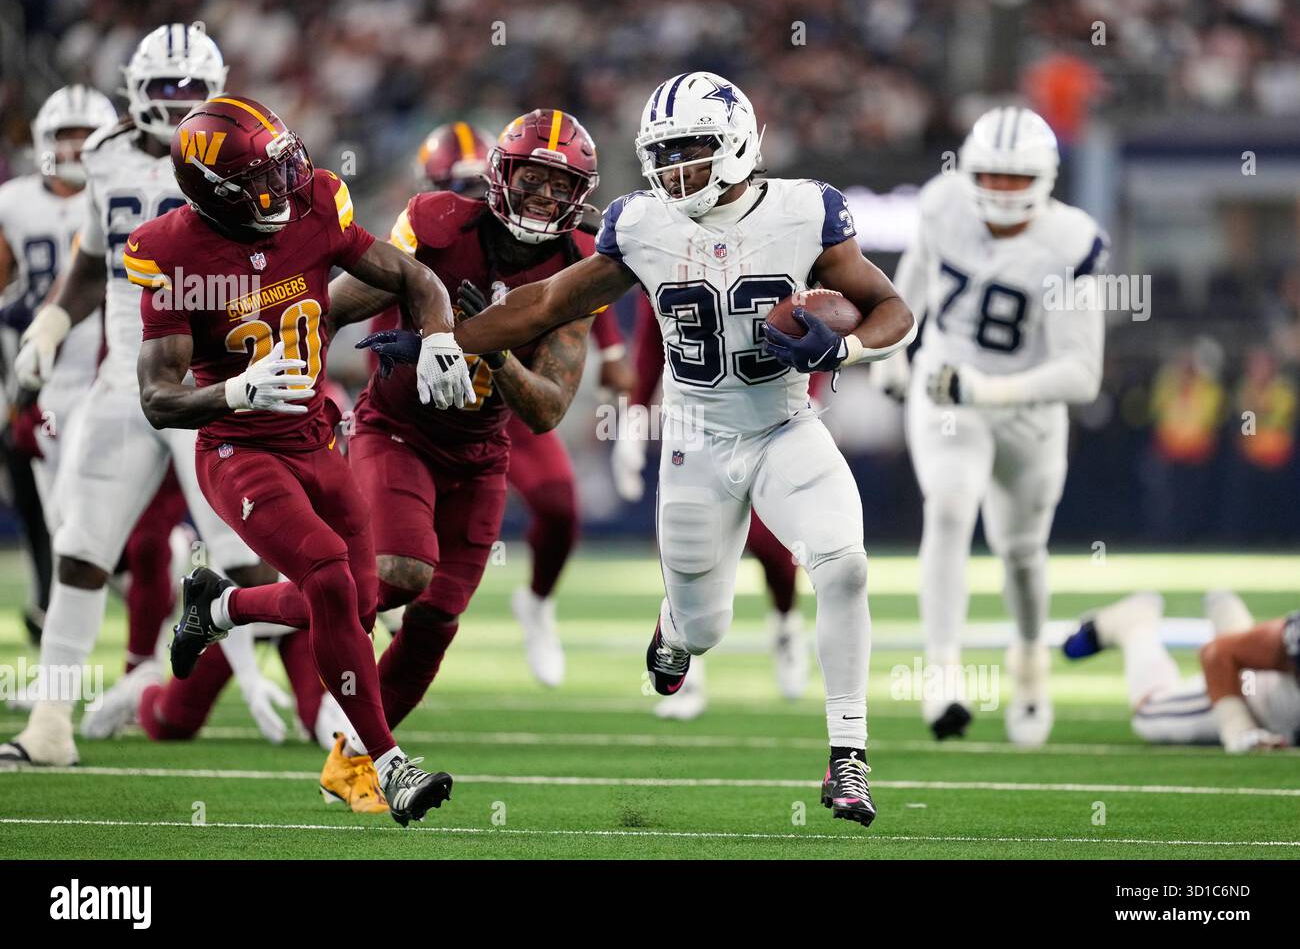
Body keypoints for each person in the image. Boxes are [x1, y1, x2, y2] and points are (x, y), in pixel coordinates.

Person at [436, 73, 917, 827]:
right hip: (693, 439)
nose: (675, 167)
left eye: (691, 148)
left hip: (785, 427)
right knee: (705, 627)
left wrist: (846, 349)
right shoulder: (643, 223)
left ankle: (848, 757)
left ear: (736, 142)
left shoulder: (805, 211)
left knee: (845, 564)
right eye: (662, 152)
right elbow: (550, 302)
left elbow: (895, 309)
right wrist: (445, 339)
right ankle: (674, 628)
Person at [131, 94, 471, 826]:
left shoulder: (316, 203)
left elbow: (412, 277)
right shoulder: (170, 250)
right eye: (263, 177)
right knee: (323, 573)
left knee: (361, 597)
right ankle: (386, 766)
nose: (285, 186)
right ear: (215, 194)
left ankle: (219, 606)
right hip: (237, 447)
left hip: (316, 439)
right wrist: (232, 389)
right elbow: (158, 399)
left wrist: (439, 335)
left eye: (286, 165)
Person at [0, 25, 282, 769]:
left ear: (217, 85)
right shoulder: (105, 155)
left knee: (255, 558)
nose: (180, 102)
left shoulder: (247, 152)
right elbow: (92, 263)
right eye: (166, 89)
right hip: (125, 382)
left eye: (192, 89)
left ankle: (339, 715)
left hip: (214, 383)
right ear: (134, 89)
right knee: (80, 549)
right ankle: (51, 724)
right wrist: (52, 325)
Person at [337, 108, 609, 744]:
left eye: (560, 184)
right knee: (402, 575)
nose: (545, 195)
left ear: (580, 196)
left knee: (436, 619)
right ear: (500, 175)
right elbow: (342, 303)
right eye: (533, 178)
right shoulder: (436, 222)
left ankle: (352, 762)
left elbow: (545, 410)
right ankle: (242, 602)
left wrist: (492, 343)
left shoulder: (580, 263)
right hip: (398, 429)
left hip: (481, 451)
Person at [871, 106, 1107, 746]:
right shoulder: (944, 203)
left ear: (1043, 178)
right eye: (990, 176)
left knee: (1021, 551)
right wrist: (894, 348)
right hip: (948, 390)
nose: (999, 190)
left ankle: (1029, 660)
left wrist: (989, 389)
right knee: (948, 509)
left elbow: (1081, 374)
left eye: (1014, 178)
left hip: (1026, 409)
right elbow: (916, 274)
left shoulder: (1069, 243)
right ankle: (943, 670)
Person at [614, 290, 820, 718]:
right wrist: (633, 421)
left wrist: (810, 391)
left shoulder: (777, 233)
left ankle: (785, 625)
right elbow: (654, 339)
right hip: (698, 423)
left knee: (773, 547)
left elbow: (812, 321)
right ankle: (686, 667)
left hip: (769, 418)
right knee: (688, 551)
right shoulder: (663, 244)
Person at [0, 85, 117, 643]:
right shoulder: (14, 202)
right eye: (64, 136)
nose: (74, 149)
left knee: (101, 522)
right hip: (40, 382)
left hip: (113, 374)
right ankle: (56, 621)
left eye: (84, 136)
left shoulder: (123, 194)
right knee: (59, 521)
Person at [1063, 591, 1299, 752]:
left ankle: (1232, 623)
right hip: (1253, 697)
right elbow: (1217, 654)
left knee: (1241, 649)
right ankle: (1134, 626)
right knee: (1149, 715)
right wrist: (1238, 728)